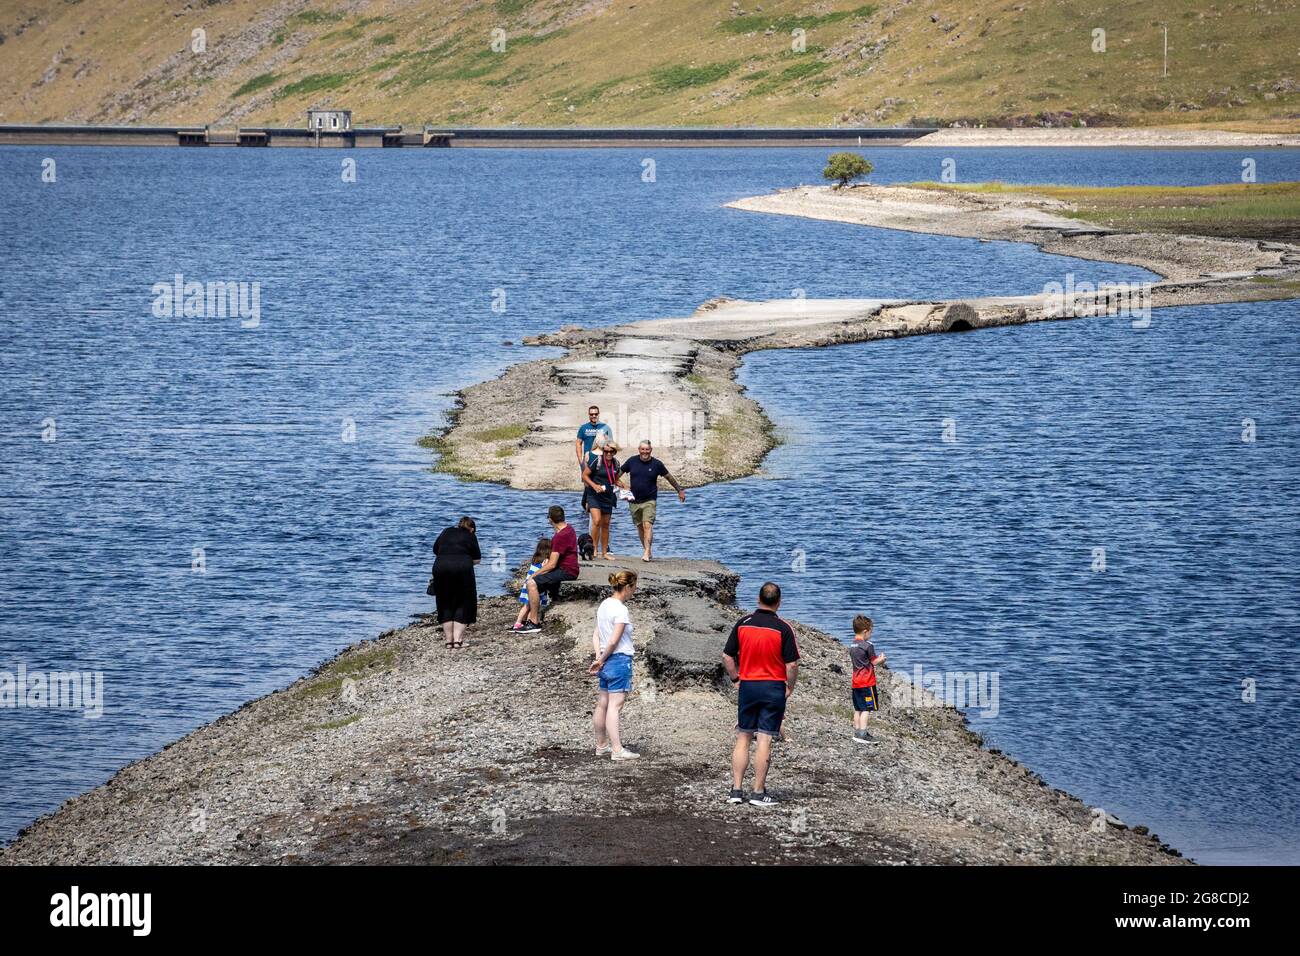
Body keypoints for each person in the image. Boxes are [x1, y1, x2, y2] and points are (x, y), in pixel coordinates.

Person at [721, 581, 799, 807]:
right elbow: (792, 665)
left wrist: (736, 678)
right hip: (773, 686)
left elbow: (727, 656)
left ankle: (736, 790)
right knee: (764, 738)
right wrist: (790, 687)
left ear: (758, 599)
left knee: (743, 736)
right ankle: (757, 792)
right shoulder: (783, 628)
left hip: (748, 686)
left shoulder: (743, 623)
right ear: (779, 602)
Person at [587, 569, 641, 761]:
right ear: (627, 587)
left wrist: (598, 657)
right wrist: (601, 659)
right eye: (634, 588)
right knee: (615, 706)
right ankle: (617, 749)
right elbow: (613, 641)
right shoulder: (621, 609)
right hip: (617, 660)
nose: (634, 591)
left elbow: (597, 635)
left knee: (603, 703)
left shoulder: (604, 605)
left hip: (605, 660)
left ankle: (601, 745)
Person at [618, 439, 686, 562]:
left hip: (650, 499)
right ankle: (648, 551)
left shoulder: (657, 464)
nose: (645, 452)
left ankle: (646, 552)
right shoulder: (631, 461)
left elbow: (669, 477)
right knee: (639, 527)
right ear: (639, 450)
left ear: (651, 450)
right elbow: (616, 476)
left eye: (647, 450)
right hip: (633, 500)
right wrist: (623, 486)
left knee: (647, 524)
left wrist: (679, 490)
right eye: (642, 449)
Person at [520, 505, 579, 633]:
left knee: (531, 583)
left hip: (567, 571)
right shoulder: (569, 529)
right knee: (538, 582)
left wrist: (534, 574)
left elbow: (552, 564)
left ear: (550, 519)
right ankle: (528, 618)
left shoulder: (559, 536)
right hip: (570, 568)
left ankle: (534, 622)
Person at [430, 516, 481, 649]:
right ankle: (458, 641)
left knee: (445, 602)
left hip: (440, 567)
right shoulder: (470, 535)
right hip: (462, 568)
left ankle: (448, 641)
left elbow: (435, 550)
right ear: (472, 529)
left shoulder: (446, 531)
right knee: (463, 602)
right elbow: (477, 560)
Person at [581, 441, 624, 560]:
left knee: (606, 524)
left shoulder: (616, 463)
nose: (608, 453)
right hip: (594, 495)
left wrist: (623, 485)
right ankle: (594, 549)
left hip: (608, 496)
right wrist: (594, 485)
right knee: (597, 521)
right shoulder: (597, 461)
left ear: (614, 452)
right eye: (606, 451)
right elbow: (584, 476)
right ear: (603, 451)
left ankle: (604, 552)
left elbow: (614, 480)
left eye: (611, 451)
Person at [575, 405, 612, 537]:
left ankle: (599, 513)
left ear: (599, 414)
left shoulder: (605, 428)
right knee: (588, 487)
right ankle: (589, 514)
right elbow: (578, 443)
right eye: (591, 414)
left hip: (601, 462)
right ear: (588, 415)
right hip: (587, 461)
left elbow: (611, 445)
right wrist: (580, 460)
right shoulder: (584, 428)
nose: (593, 416)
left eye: (595, 414)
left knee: (602, 486)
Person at [848, 615, 885, 744]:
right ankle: (863, 734)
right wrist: (881, 660)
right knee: (867, 709)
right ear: (865, 631)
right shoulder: (867, 645)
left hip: (856, 682)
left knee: (858, 708)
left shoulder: (852, 645)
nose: (871, 634)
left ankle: (857, 731)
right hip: (867, 682)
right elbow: (874, 662)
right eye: (870, 632)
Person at [507, 538, 552, 632]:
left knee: (527, 605)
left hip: (527, 584)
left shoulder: (535, 558)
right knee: (531, 605)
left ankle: (525, 622)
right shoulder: (546, 561)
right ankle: (518, 623)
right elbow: (544, 572)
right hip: (534, 585)